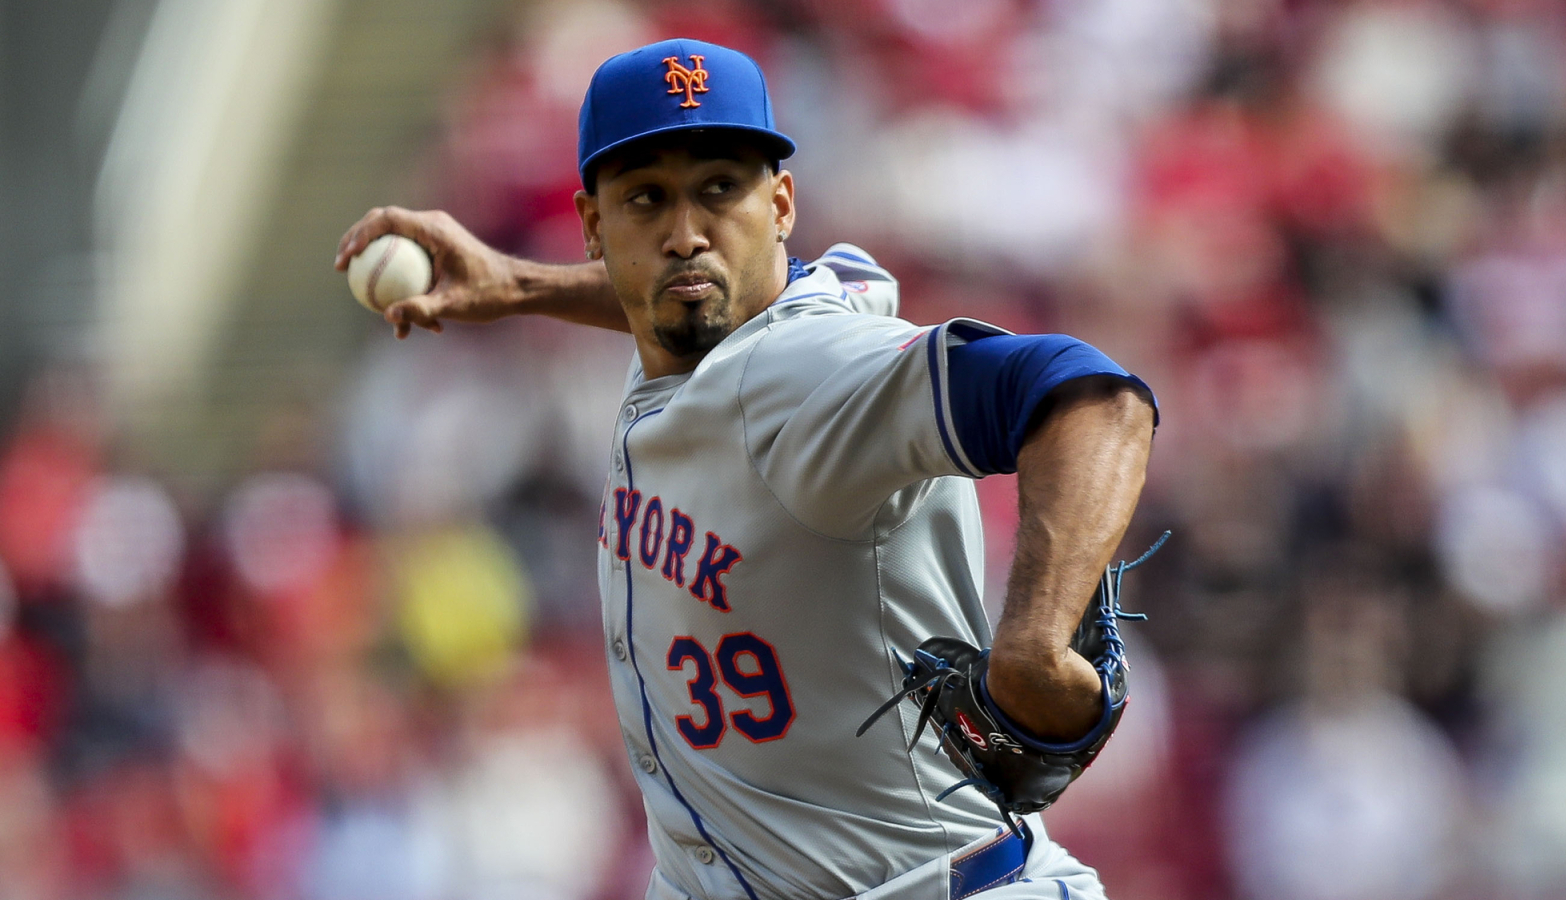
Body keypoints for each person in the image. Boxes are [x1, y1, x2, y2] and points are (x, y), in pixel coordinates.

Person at [336, 38, 1156, 900]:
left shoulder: (807, 375)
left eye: (720, 189)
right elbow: (682, 301)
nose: (687, 233)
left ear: (781, 202)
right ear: (592, 225)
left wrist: (1031, 643)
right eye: (646, 199)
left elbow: (1095, 400)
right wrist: (518, 284)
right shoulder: (707, 334)